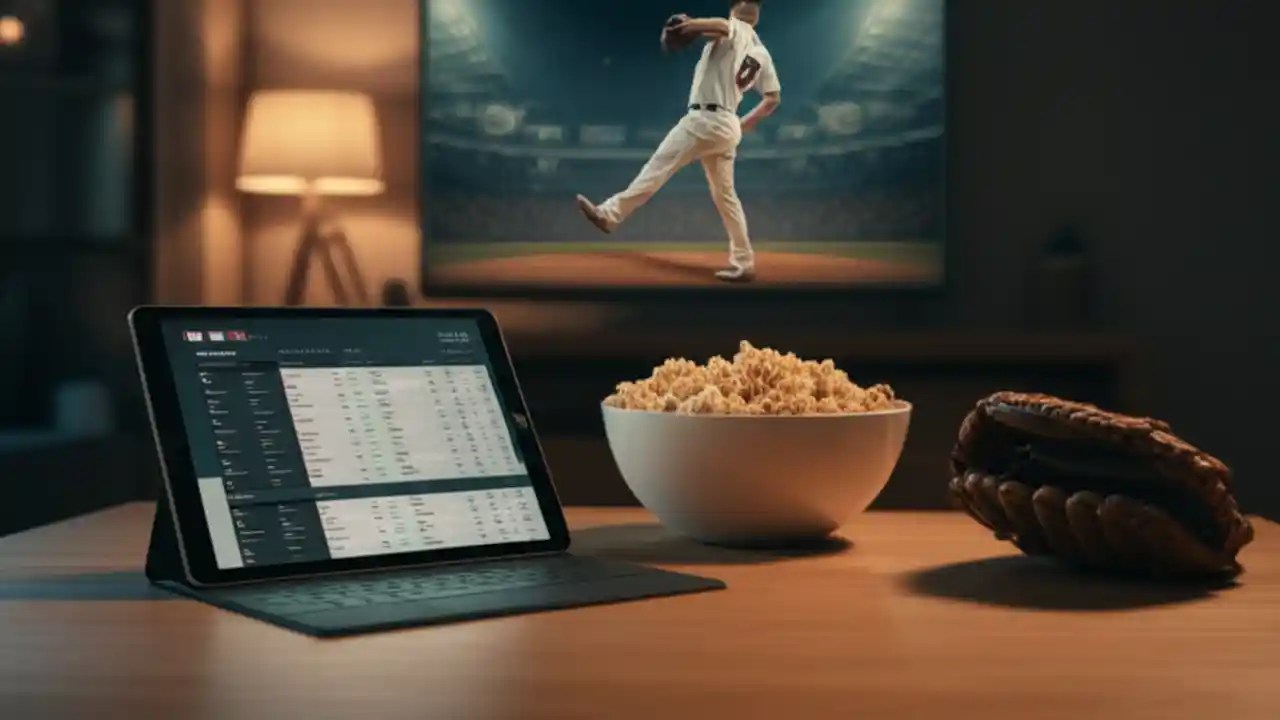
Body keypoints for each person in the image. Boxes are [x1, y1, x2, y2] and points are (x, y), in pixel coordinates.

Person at [575, 0, 782, 282]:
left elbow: (722, 26)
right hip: (727, 123)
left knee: (657, 167)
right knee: (726, 198)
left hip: (705, 120)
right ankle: (744, 262)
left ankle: (609, 215)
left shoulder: (736, 28)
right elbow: (773, 99)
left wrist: (690, 24)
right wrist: (741, 126)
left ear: (736, 11)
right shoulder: (761, 52)